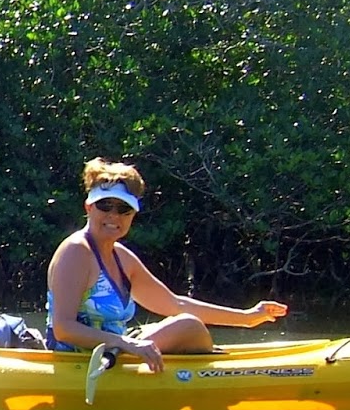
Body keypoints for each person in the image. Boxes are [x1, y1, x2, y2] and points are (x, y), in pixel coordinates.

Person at [46, 158, 288, 371]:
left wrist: (247, 317)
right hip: (79, 361)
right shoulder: (76, 251)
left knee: (189, 327)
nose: (114, 215)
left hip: (118, 350)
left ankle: (203, 376)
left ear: (133, 214)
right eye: (105, 206)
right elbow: (63, 328)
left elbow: (174, 303)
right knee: (190, 326)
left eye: (124, 209)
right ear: (89, 207)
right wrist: (125, 342)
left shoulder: (122, 257)